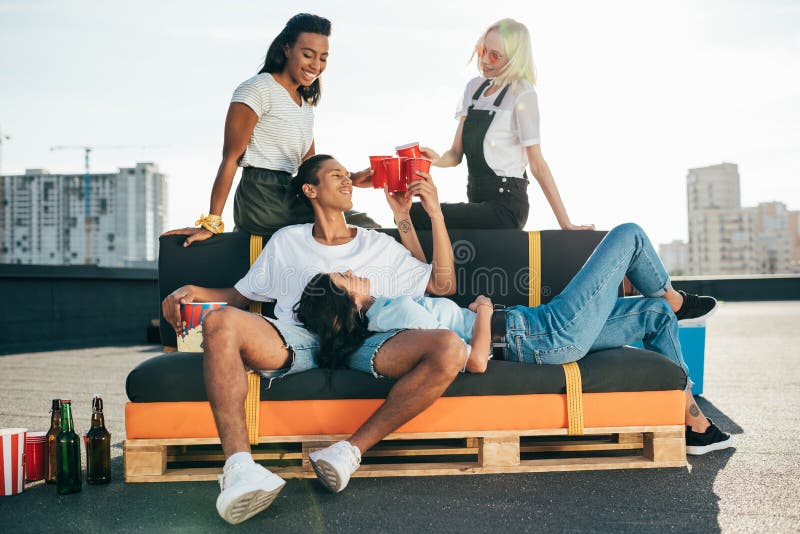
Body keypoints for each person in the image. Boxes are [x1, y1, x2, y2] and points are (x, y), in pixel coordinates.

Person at [296, 223, 734, 485]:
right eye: (344, 278)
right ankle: (676, 300)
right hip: (539, 333)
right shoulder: (392, 312)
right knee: (629, 236)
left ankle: (693, 423)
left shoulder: (381, 319)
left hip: (537, 328)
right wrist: (485, 311)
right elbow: (476, 360)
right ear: (344, 303)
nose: (352, 272)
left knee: (653, 313)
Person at [161, 154, 465, 524]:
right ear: (310, 189)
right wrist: (192, 290)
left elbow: (441, 285)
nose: (347, 180)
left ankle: (347, 454)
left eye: (347, 176)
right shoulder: (287, 241)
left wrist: (430, 213)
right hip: (298, 336)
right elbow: (240, 296)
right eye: (336, 175)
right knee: (221, 322)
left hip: (364, 339)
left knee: (449, 347)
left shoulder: (375, 245)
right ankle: (240, 469)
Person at [163, 13, 376, 247]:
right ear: (287, 49)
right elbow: (230, 158)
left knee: (365, 225)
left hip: (292, 192)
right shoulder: (257, 89)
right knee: (352, 229)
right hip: (261, 197)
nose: (316, 65)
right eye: (308, 55)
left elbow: (310, 167)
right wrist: (212, 222)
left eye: (323, 58)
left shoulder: (304, 106)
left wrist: (351, 178)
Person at [412, 18, 592, 231]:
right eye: (483, 50)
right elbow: (455, 155)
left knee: (416, 215)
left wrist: (566, 224)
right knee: (410, 212)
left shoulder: (522, 93)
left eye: (495, 55)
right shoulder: (473, 89)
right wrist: (435, 159)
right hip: (477, 203)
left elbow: (537, 165)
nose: (485, 60)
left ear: (514, 59)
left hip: (506, 206)